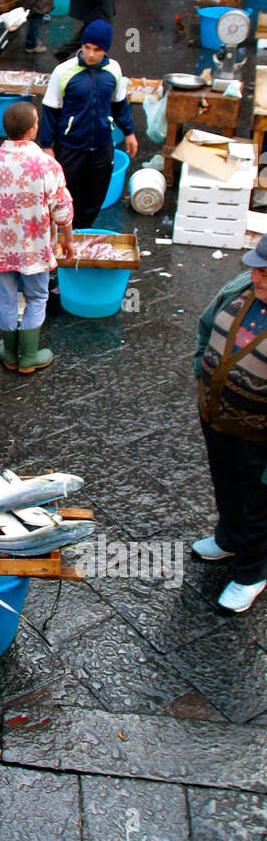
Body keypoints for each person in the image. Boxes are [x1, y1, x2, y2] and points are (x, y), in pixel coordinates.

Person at [193, 233, 267, 613]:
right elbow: (206, 326)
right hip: (217, 417)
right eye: (256, 268)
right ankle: (228, 538)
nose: (257, 277)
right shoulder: (240, 287)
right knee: (225, 483)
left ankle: (251, 574)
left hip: (259, 437)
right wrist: (199, 371)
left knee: (259, 502)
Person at [0, 101, 74, 372]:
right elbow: (62, 209)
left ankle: (9, 352)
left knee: (5, 298)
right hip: (35, 246)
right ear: (31, 130)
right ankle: (29, 355)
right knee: (37, 297)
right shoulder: (47, 165)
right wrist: (68, 239)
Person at [39, 20, 137, 229]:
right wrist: (47, 146)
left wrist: (129, 132)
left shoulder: (114, 70)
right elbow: (50, 110)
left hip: (102, 147)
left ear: (106, 50)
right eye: (87, 48)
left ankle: (80, 234)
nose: (91, 54)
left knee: (94, 196)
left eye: (97, 50)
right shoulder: (63, 71)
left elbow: (119, 104)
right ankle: (60, 235)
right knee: (63, 196)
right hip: (70, 147)